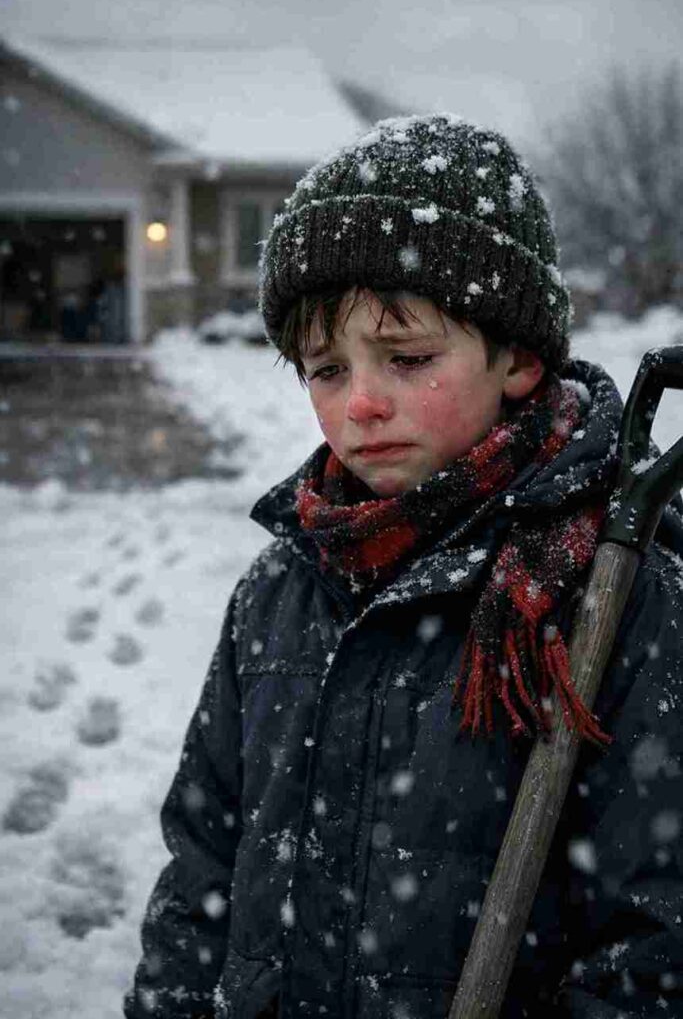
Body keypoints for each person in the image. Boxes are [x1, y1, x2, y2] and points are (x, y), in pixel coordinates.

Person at [124, 114, 683, 1018]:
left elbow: (657, 936)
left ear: (519, 357)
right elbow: (200, 869)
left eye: (407, 357)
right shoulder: (282, 588)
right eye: (325, 369)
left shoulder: (613, 593)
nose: (362, 404)